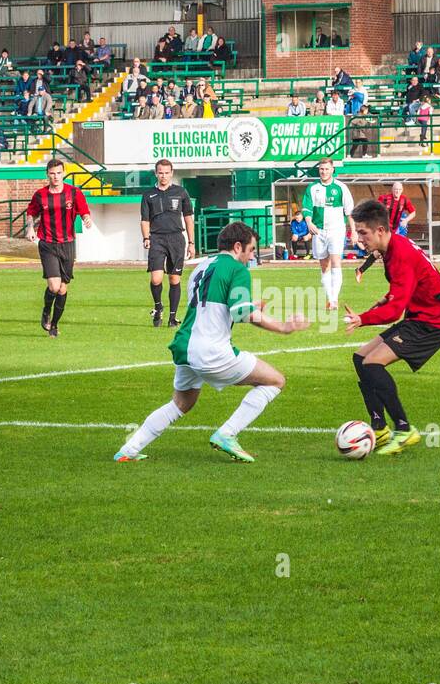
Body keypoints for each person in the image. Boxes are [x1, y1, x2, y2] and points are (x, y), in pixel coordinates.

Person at [114, 222, 309, 464]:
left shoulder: (202, 266)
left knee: (181, 403)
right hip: (210, 350)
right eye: (250, 251)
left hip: (185, 346)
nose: (250, 258)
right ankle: (227, 434)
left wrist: (246, 304)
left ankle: (128, 450)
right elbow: (241, 314)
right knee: (275, 381)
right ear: (238, 247)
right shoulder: (238, 270)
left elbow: (210, 304)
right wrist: (283, 327)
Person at [344, 199, 440, 456]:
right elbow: (406, 288)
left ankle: (404, 429)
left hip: (432, 323)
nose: (360, 239)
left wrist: (363, 318)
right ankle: (379, 428)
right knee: (360, 358)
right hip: (419, 316)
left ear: (380, 230)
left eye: (363, 233)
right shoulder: (392, 248)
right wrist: (387, 297)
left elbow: (394, 311)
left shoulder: (400, 255)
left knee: (373, 364)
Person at [27, 159, 93, 337]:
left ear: (64, 173)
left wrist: (87, 219)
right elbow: (31, 213)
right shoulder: (40, 195)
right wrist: (30, 228)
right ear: (47, 174)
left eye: (58, 173)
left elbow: (84, 211)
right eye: (52, 173)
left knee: (63, 289)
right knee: (54, 286)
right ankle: (46, 310)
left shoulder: (74, 192)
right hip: (48, 243)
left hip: (68, 243)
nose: (55, 176)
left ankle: (54, 325)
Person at [141, 158, 196, 327]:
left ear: (171, 173)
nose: (163, 176)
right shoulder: (148, 194)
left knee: (174, 279)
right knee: (156, 279)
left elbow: (188, 218)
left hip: (176, 239)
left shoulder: (181, 192)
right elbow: (144, 219)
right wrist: (146, 238)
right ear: (156, 173)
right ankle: (158, 307)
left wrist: (192, 242)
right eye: (160, 173)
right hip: (157, 239)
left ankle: (173, 317)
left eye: (166, 173)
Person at [304, 157, 356, 311]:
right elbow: (307, 208)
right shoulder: (312, 188)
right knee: (324, 265)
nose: (324, 171)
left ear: (333, 170)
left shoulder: (341, 187)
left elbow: (349, 211)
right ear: (318, 170)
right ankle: (330, 297)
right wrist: (309, 223)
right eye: (321, 169)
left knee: (335, 262)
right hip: (319, 231)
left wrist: (353, 231)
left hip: (336, 230)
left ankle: (333, 300)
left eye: (327, 169)